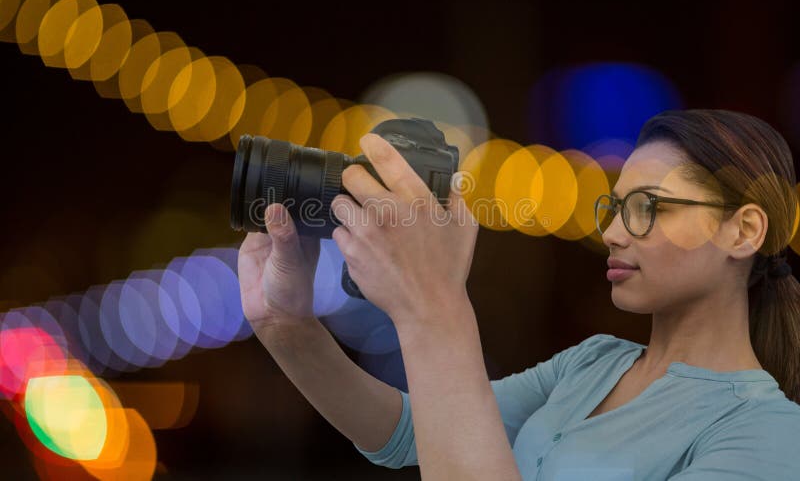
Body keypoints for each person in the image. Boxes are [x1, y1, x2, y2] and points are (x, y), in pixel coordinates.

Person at [238, 109, 800, 480]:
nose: (611, 232)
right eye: (613, 206)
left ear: (743, 231)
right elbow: (412, 429)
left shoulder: (768, 435)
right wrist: (286, 327)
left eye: (646, 207)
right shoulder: (592, 364)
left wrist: (434, 307)